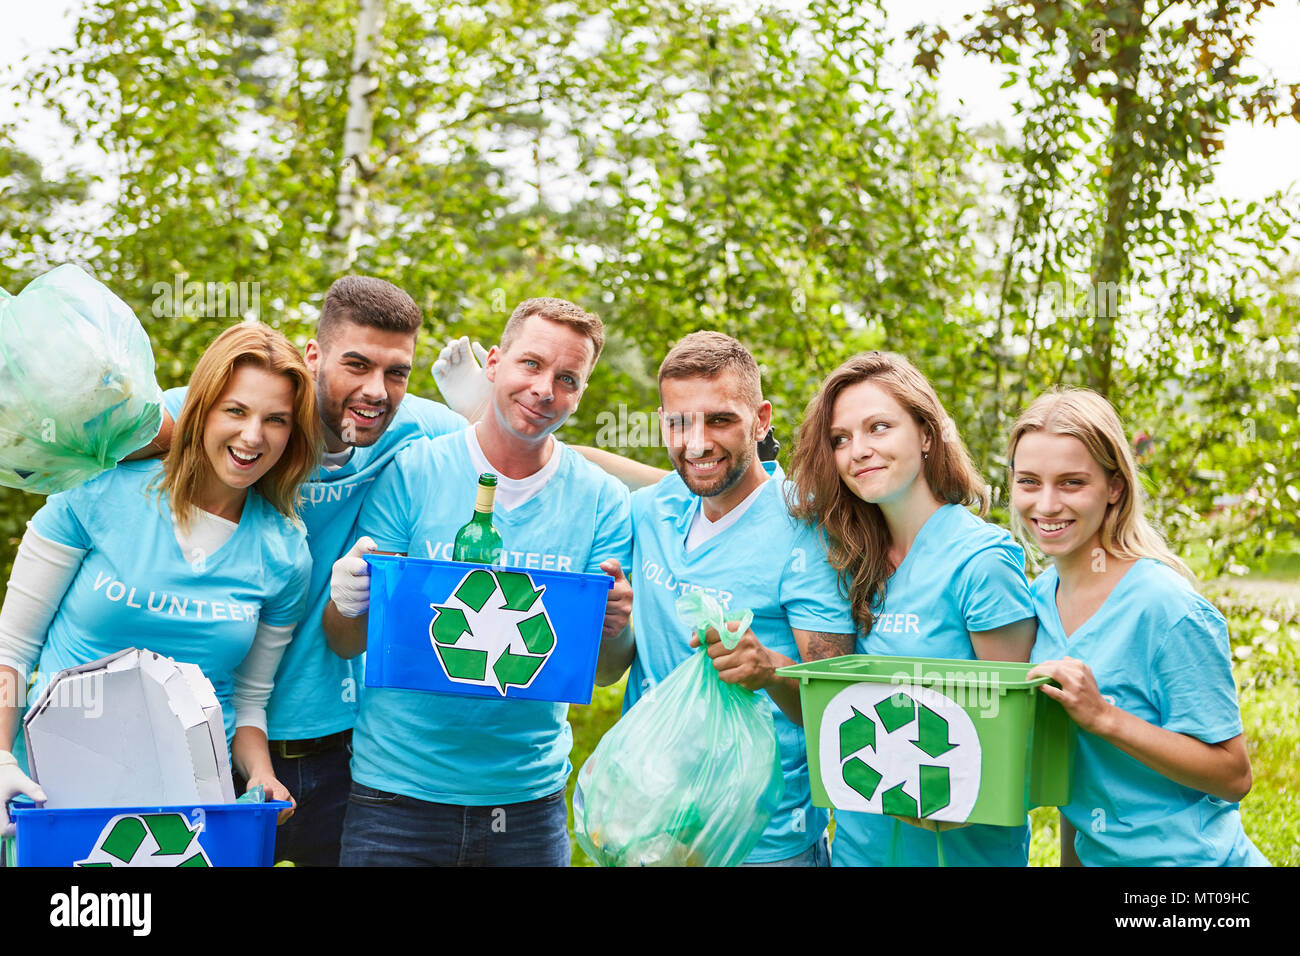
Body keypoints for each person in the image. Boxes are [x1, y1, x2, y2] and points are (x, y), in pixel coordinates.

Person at [155, 276, 467, 866]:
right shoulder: (245, 420)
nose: (376, 390)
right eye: (356, 364)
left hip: (347, 750)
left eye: (397, 372)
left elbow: (541, 455)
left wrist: (684, 486)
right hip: (212, 743)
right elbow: (102, 428)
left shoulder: (414, 431)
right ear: (313, 355)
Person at [323, 296, 634, 867]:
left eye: (567, 378)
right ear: (494, 363)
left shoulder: (602, 502)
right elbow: (346, 640)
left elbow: (607, 671)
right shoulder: (415, 473)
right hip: (396, 795)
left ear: (581, 392)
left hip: (525, 805)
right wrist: (347, 599)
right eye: (531, 365)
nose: (545, 390)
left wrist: (616, 626)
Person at [0, 322, 321, 836]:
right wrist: (0, 761)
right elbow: (12, 647)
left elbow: (248, 699)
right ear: (202, 411)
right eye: (235, 411)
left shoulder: (284, 553)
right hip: (54, 795)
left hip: (190, 813)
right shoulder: (98, 492)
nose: (253, 436)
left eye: (276, 420)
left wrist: (261, 774)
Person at [600, 331, 857, 865]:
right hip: (647, 831)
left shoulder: (808, 530)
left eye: (720, 420)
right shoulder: (654, 510)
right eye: (679, 422)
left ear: (761, 420)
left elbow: (836, 709)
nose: (697, 443)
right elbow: (568, 465)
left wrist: (768, 667)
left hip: (762, 843)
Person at [787, 351, 1038, 867]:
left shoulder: (983, 562)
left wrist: (942, 806)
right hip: (858, 852)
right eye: (841, 439)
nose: (859, 451)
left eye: (879, 428)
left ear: (926, 434)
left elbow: (1020, 739)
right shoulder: (850, 557)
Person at [1013, 388, 1268, 866]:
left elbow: (1234, 775)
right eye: (1029, 481)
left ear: (1115, 488)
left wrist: (1105, 717)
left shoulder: (1166, 607)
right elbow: (1080, 771)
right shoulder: (1037, 600)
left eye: (1071, 483)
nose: (1046, 504)